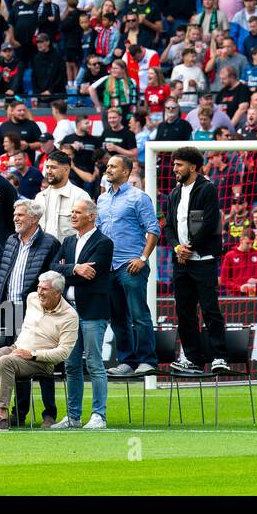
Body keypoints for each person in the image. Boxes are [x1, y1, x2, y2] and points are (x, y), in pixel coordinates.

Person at [0, 270, 78, 431]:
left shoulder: (70, 316)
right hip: (16, 349)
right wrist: (20, 350)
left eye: (44, 289)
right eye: (39, 287)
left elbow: (64, 352)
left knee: (6, 361)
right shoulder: (32, 298)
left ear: (58, 292)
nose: (40, 292)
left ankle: (1, 416)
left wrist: (33, 354)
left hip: (40, 361)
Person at [0, 198, 63, 425]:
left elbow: (53, 281)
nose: (15, 218)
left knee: (42, 364)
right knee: (16, 362)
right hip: (9, 310)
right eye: (15, 213)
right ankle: (20, 412)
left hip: (35, 314)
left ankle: (49, 413)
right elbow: (4, 276)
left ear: (34, 218)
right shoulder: (11, 241)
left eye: (21, 214)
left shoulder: (50, 243)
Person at [166, 145, 229, 375]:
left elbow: (209, 223)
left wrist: (189, 248)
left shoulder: (207, 189)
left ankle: (219, 356)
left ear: (192, 167)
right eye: (174, 164)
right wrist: (177, 248)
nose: (175, 169)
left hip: (203, 259)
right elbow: (169, 227)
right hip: (181, 261)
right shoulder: (174, 193)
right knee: (184, 311)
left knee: (210, 308)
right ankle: (193, 358)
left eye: (179, 165)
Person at [96, 155, 160, 377]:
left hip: (131, 265)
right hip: (109, 267)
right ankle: (127, 361)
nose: (108, 168)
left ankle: (147, 360)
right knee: (117, 317)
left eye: (113, 166)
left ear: (126, 172)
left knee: (138, 314)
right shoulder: (102, 200)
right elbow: (98, 234)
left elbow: (153, 229)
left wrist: (142, 258)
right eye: (108, 166)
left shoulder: (139, 197)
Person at [53, 199, 114, 429]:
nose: (73, 216)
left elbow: (93, 274)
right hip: (68, 312)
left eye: (77, 212)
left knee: (95, 363)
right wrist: (75, 268)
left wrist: (68, 269)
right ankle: (74, 416)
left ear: (91, 216)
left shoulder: (104, 243)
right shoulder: (68, 241)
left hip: (92, 311)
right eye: (72, 212)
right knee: (71, 364)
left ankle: (99, 415)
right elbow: (53, 268)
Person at [37, 149, 91, 241]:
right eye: (47, 167)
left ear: (66, 170)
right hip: (42, 253)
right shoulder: (39, 197)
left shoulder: (80, 196)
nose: (48, 171)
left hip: (68, 253)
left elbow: (88, 231)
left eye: (53, 167)